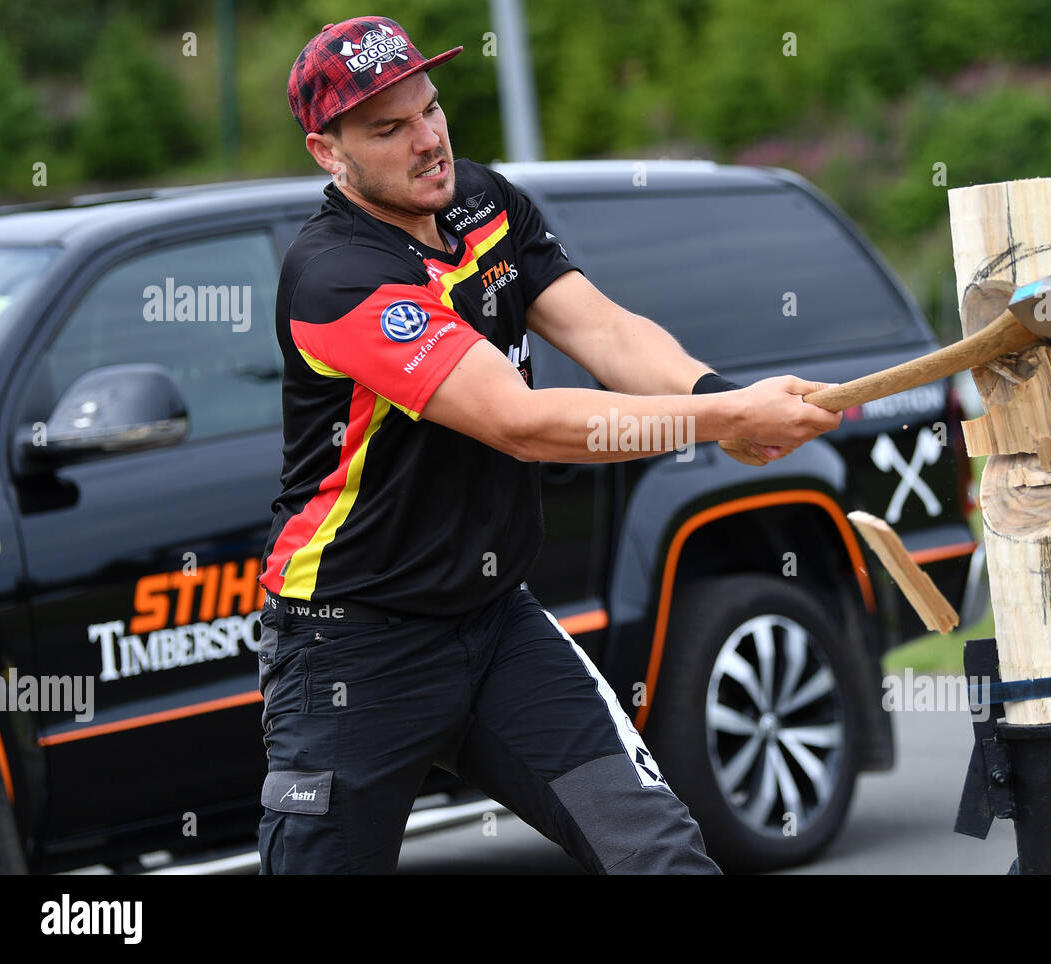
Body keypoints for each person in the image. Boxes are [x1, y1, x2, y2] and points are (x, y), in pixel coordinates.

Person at [256, 15, 841, 875]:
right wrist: (727, 423)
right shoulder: (336, 275)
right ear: (326, 152)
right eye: (389, 128)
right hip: (350, 649)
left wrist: (720, 396)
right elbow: (517, 423)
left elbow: (604, 330)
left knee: (658, 850)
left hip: (495, 624)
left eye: (431, 109)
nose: (427, 141)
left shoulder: (485, 204)